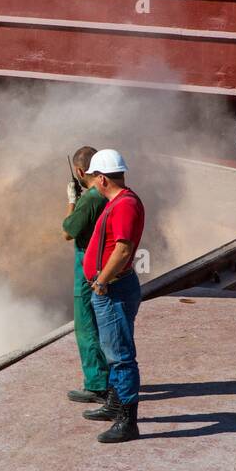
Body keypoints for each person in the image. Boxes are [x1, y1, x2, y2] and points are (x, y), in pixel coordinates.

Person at [81, 149, 145, 443]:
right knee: (114, 350)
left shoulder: (124, 206)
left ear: (103, 178)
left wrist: (102, 282)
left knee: (120, 357)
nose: (91, 184)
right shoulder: (118, 202)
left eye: (93, 178)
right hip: (112, 287)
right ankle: (114, 405)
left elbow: (123, 249)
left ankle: (127, 422)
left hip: (113, 289)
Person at [61, 146, 109, 405]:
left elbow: (68, 231)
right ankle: (110, 378)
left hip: (87, 270)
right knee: (105, 326)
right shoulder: (108, 192)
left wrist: (72, 201)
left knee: (87, 327)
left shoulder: (90, 198)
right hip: (106, 267)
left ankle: (96, 384)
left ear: (80, 171)